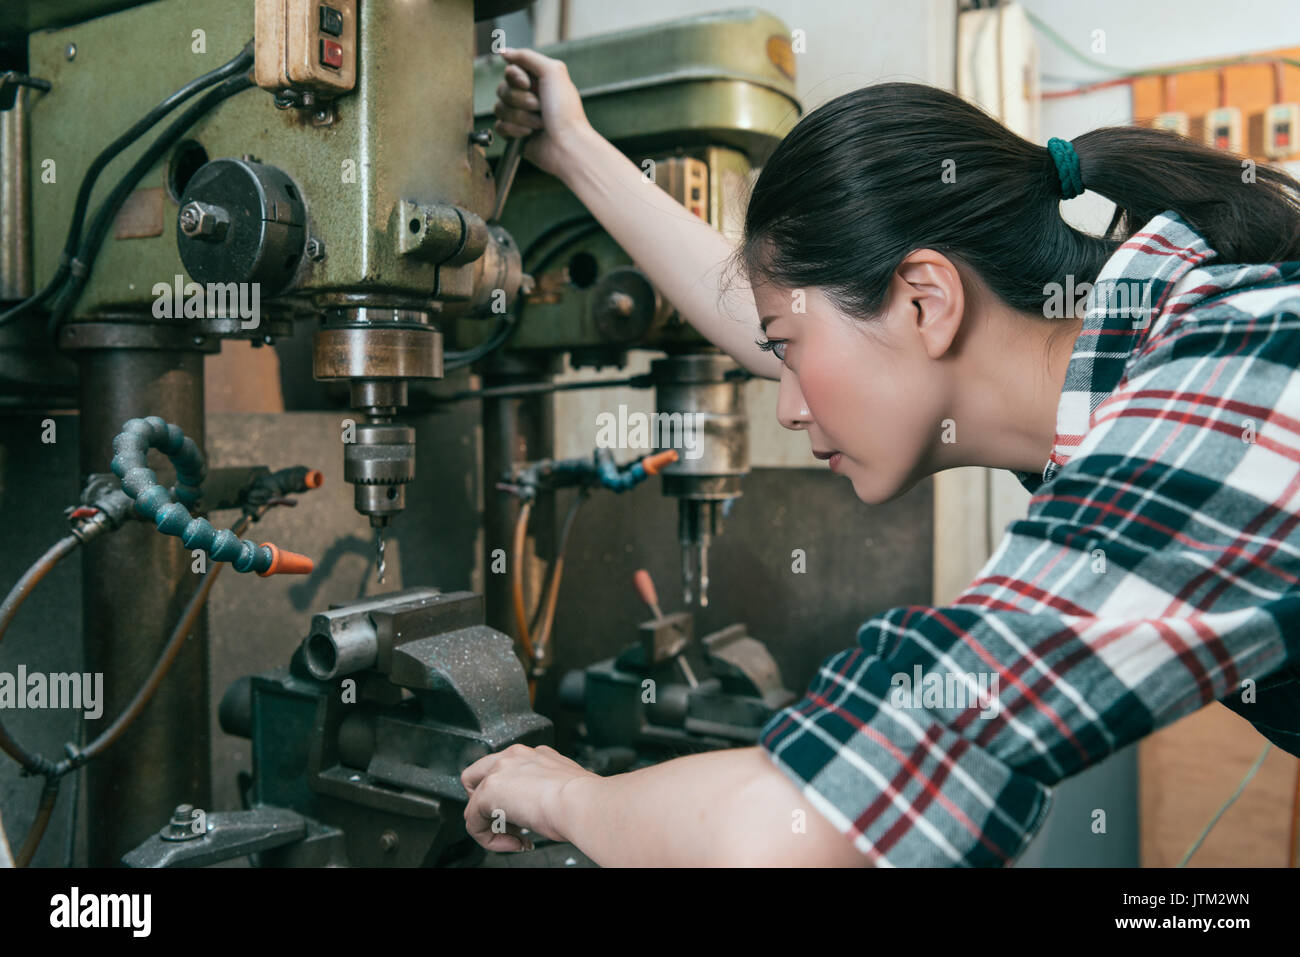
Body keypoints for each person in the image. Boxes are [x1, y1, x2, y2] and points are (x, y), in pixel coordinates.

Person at [460, 46, 1300, 866]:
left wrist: (560, 795)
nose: (787, 405)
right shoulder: (1141, 362)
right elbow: (784, 332)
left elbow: (797, 831)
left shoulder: (1234, 379)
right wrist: (569, 146)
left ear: (926, 300)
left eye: (791, 350)